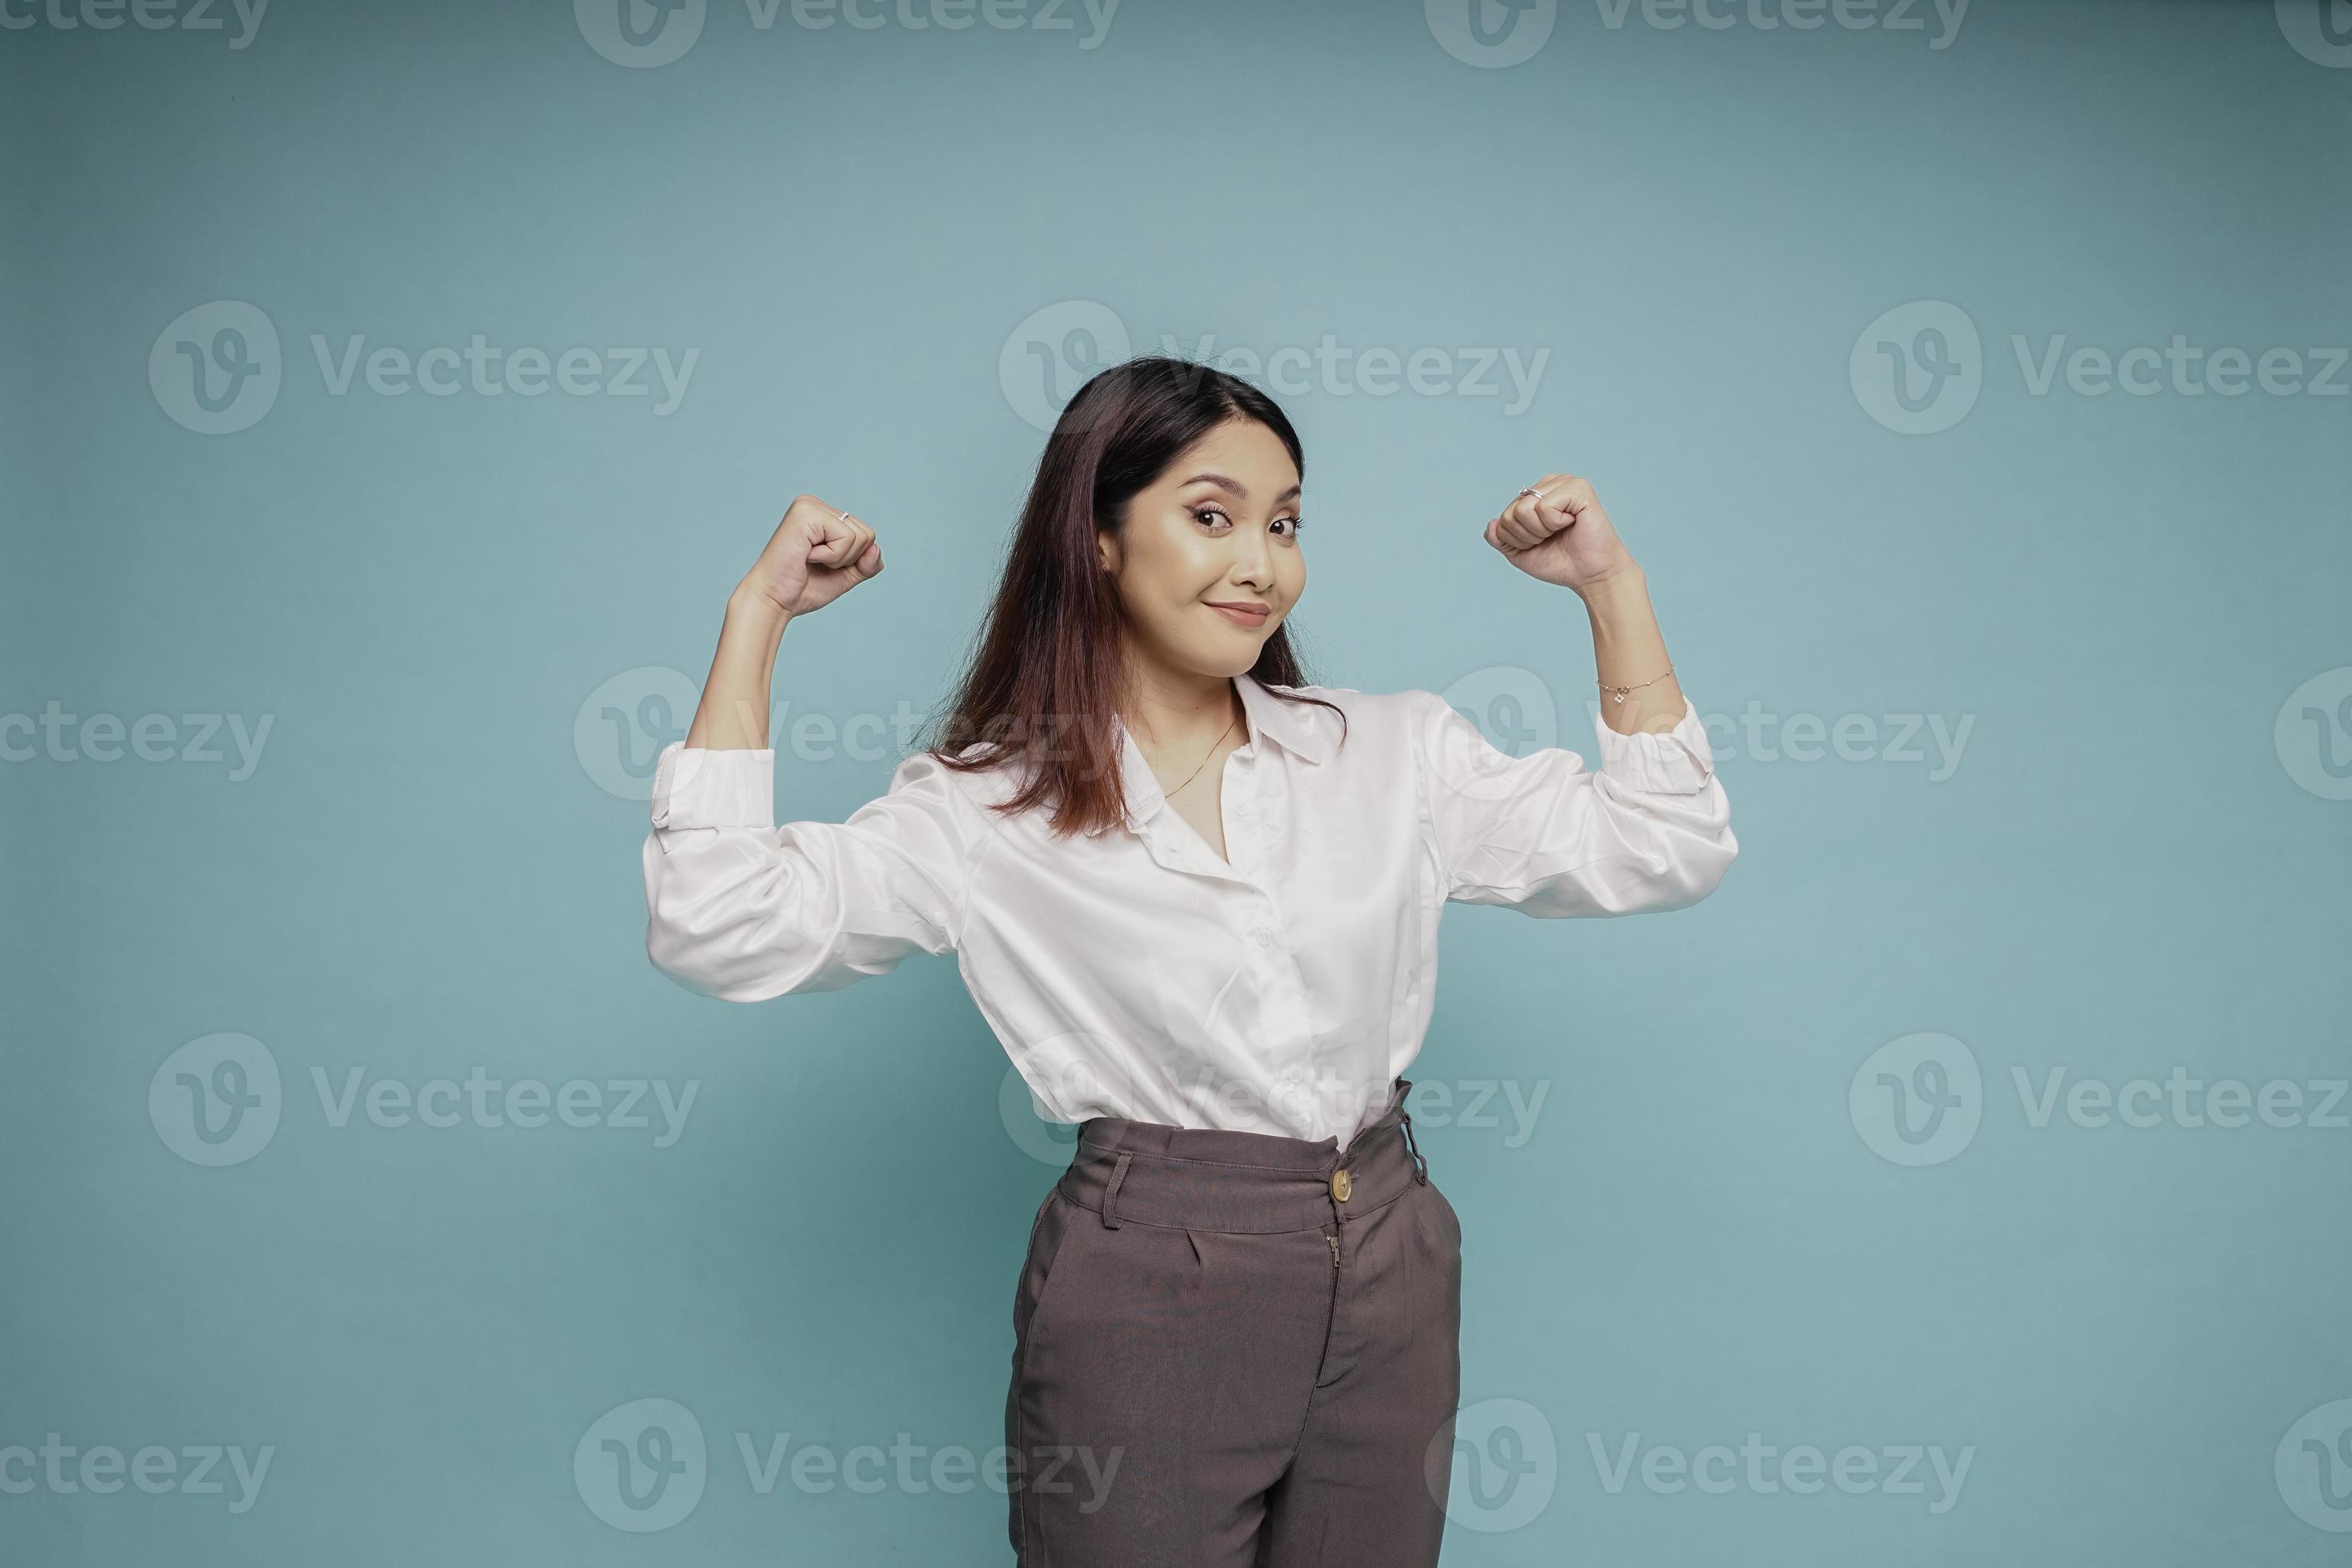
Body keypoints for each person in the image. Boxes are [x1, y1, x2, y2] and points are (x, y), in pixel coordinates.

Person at [638, 355, 1738, 1566]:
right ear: (1099, 537)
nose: (1261, 562)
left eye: (1285, 522)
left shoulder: (1391, 752)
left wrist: (1608, 586)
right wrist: (758, 620)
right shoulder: (986, 807)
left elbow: (1665, 844)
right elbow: (718, 925)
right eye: (1210, 516)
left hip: (1392, 1257)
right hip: (1153, 1284)